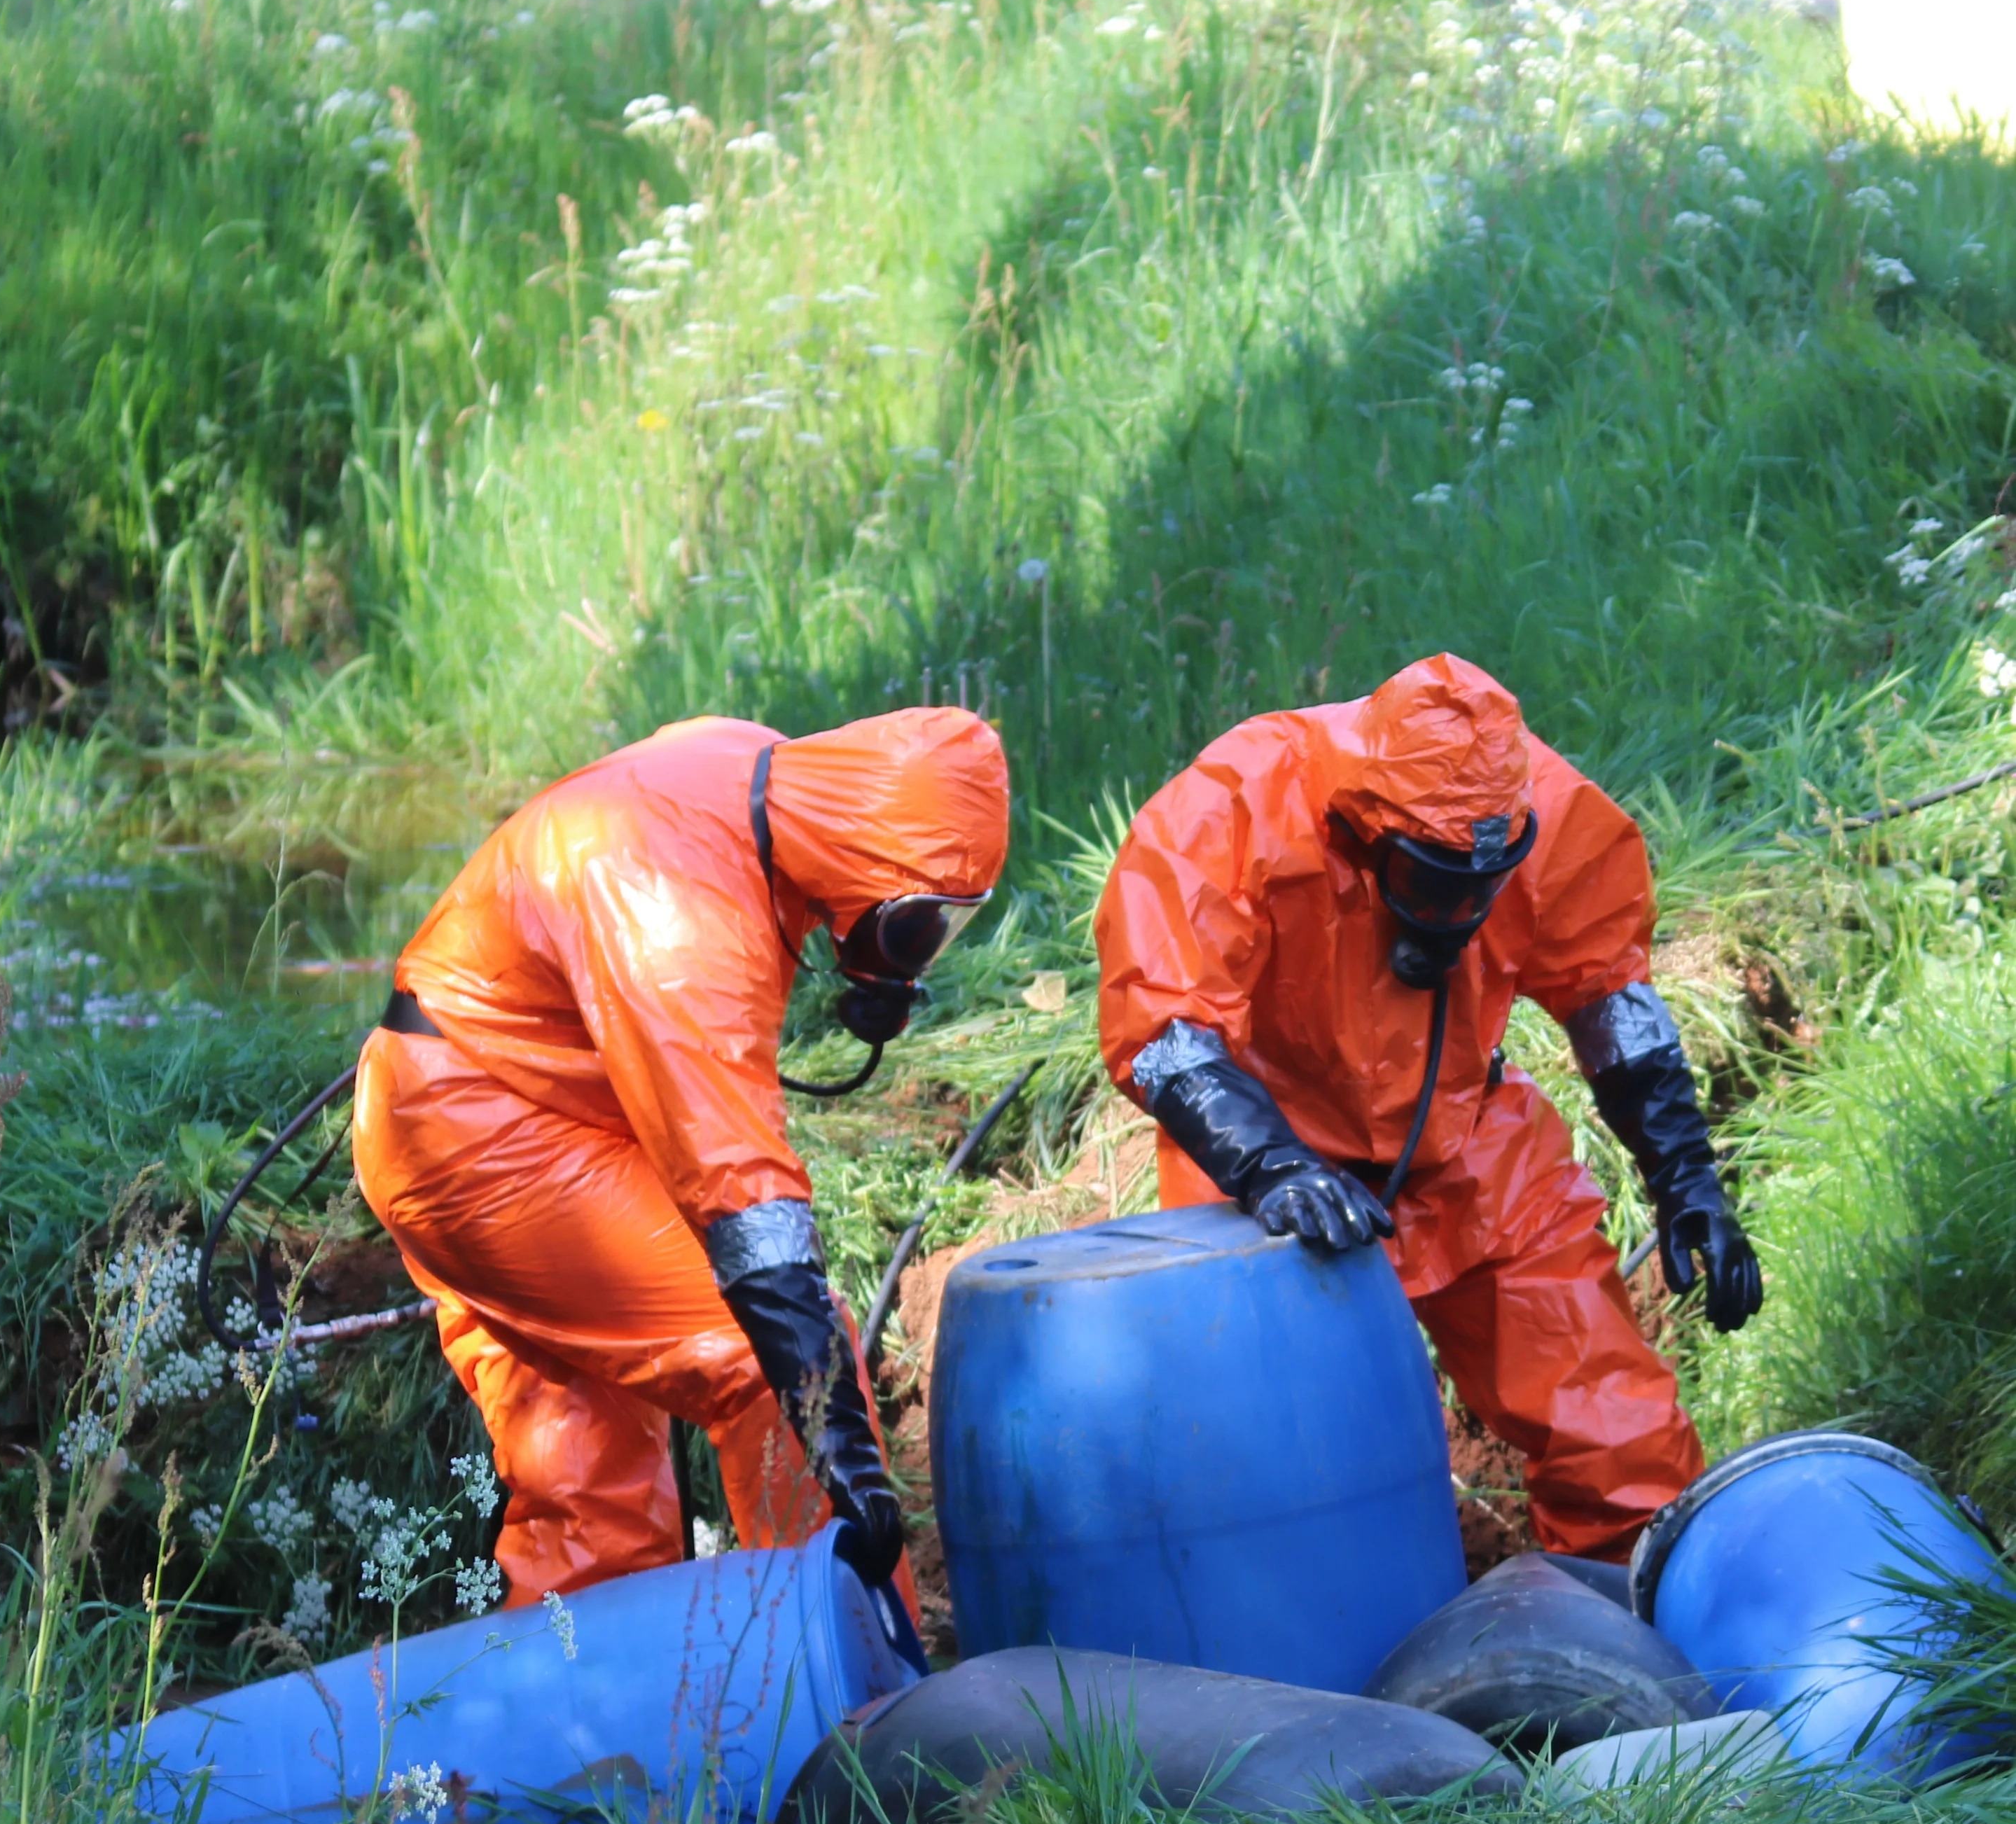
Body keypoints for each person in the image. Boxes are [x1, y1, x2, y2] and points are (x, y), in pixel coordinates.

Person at [1094, 655, 1758, 1558]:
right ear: (1364, 836)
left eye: (1478, 887)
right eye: (1433, 883)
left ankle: (1636, 1657)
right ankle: (1320, 1685)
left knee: (1618, 1438)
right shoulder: (1231, 810)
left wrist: (1687, 1176)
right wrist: (1272, 1165)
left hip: (1469, 1139)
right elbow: (1166, 1029)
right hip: (1268, 1175)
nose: (1461, 911)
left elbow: (1609, 995)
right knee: (1277, 1483)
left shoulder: (1541, 807)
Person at [354, 709, 1010, 1605]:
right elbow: (744, 1201)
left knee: (592, 1489)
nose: (922, 952)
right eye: (920, 926)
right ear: (875, 874)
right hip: (485, 1138)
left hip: (459, 1106)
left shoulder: (758, 775)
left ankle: (582, 1729)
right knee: (768, 1358)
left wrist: (873, 958)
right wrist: (845, 1454)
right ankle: (854, 1677)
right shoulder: (683, 910)